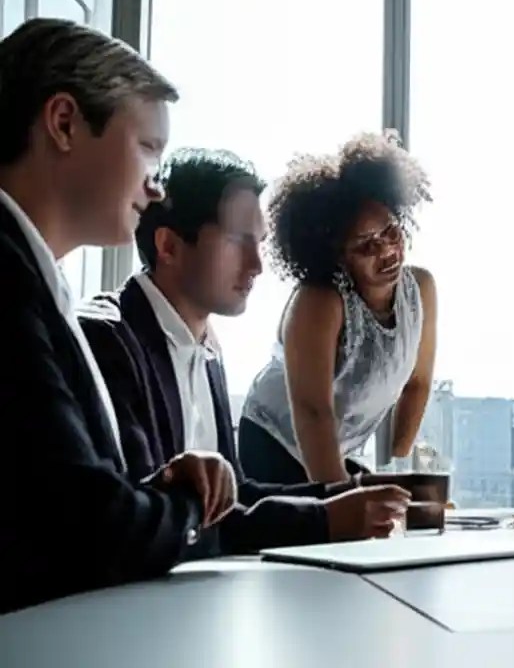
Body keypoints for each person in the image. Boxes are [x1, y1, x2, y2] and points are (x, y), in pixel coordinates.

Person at [0, 18, 236, 613]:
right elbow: (88, 528)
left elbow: (49, 498)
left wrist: (147, 495)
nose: (157, 190)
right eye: (149, 150)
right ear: (64, 123)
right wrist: (190, 513)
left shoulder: (34, 279)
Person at [77, 147, 413, 552]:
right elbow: (149, 518)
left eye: (260, 242)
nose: (257, 264)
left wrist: (345, 494)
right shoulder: (108, 339)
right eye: (239, 240)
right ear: (168, 247)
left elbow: (232, 496)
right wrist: (323, 519)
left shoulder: (207, 350)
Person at [237, 131, 438, 485]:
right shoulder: (319, 302)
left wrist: (399, 472)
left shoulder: (420, 288)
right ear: (338, 256)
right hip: (274, 444)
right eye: (366, 246)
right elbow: (313, 412)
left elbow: (417, 385)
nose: (387, 251)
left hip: (333, 447)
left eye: (391, 232)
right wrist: (340, 500)